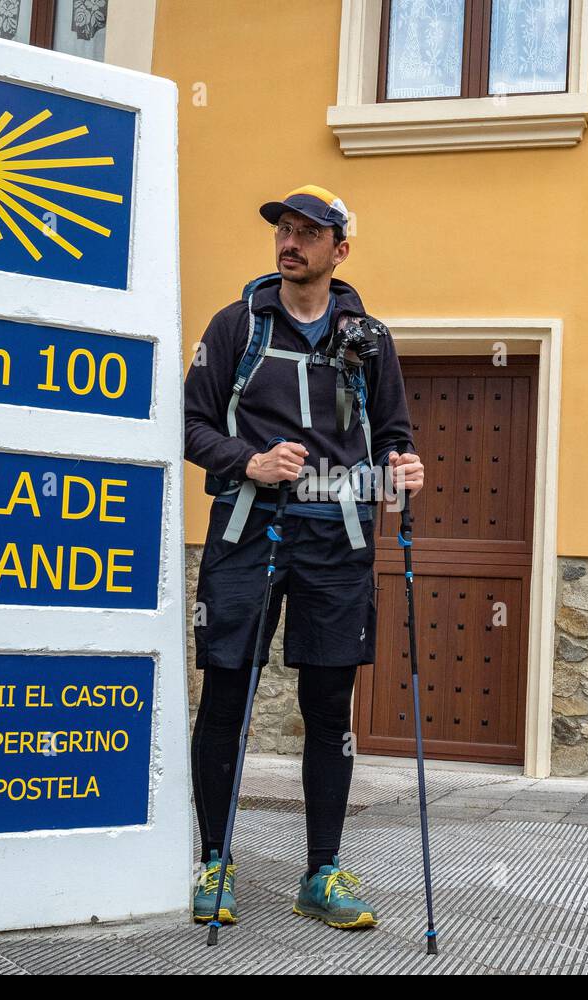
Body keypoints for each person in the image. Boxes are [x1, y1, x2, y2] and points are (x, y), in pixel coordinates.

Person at [183, 184, 424, 929]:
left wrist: (404, 469)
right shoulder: (235, 327)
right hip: (248, 531)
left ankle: (321, 872)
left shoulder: (369, 341)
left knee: (329, 710)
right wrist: (250, 462)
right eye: (283, 231)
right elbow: (188, 426)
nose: (289, 243)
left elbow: (394, 436)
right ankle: (215, 861)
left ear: (338, 250)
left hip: (337, 542)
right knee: (227, 695)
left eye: (306, 233)